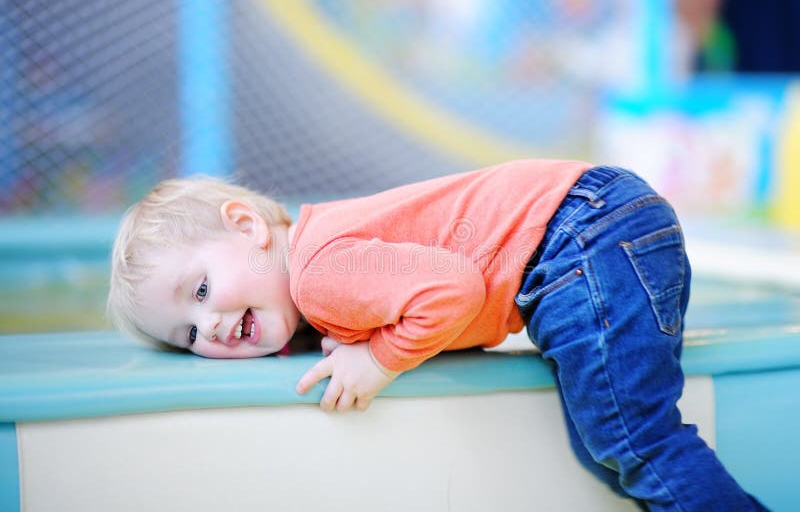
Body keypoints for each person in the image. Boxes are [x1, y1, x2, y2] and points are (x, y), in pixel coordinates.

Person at [107, 160, 766, 511]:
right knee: (612, 444)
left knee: (636, 441)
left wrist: (380, 359)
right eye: (186, 335)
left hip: (578, 240)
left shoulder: (316, 273)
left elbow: (454, 290)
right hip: (603, 222)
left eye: (198, 292)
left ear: (247, 226)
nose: (210, 327)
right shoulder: (318, 267)